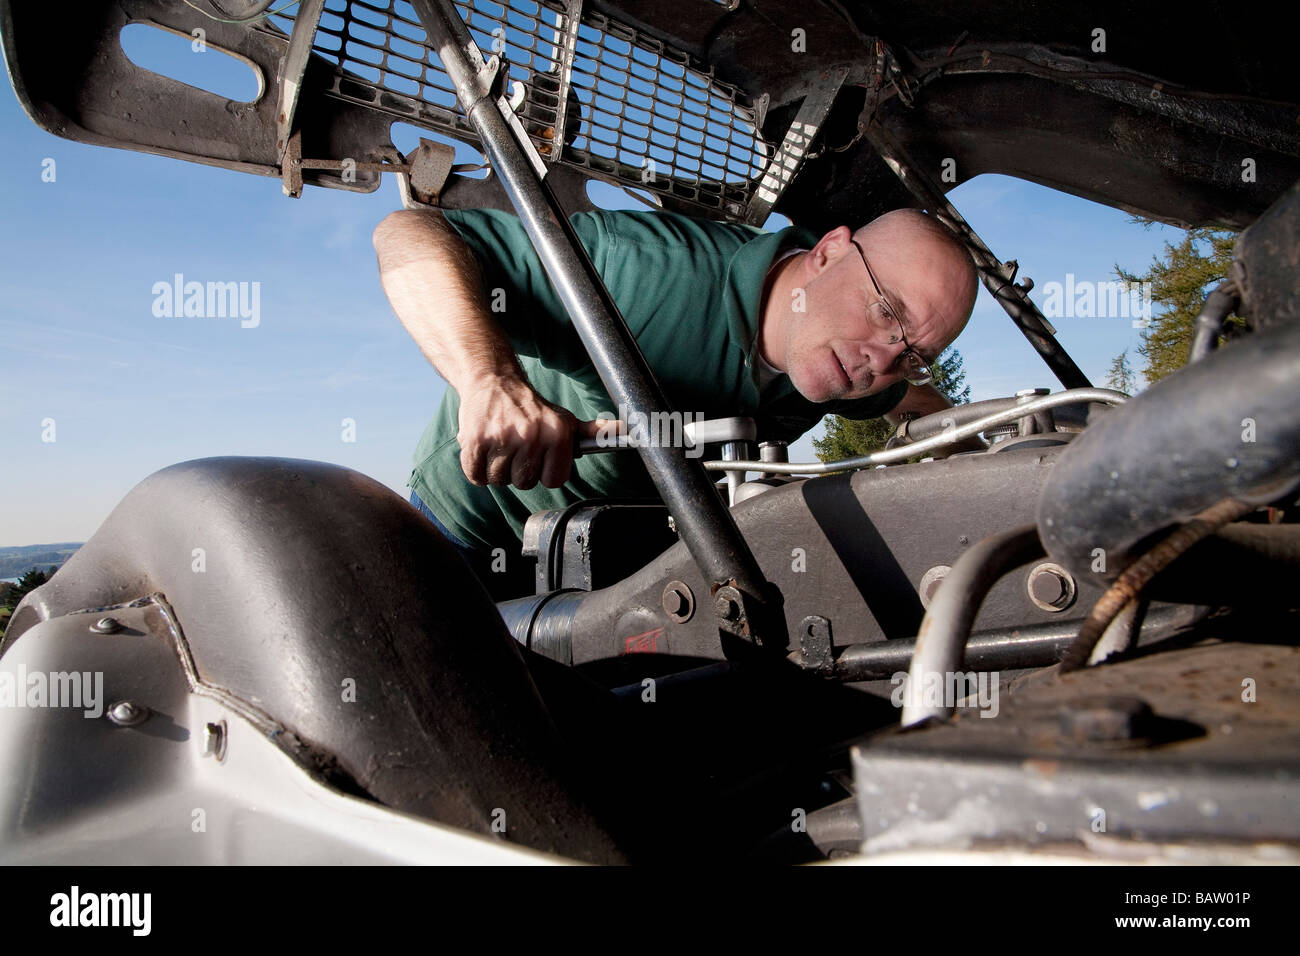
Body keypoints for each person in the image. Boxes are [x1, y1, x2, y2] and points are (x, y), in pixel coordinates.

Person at [372, 204, 978, 599]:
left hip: (610, 557)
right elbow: (409, 235)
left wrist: (969, 437)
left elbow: (909, 394)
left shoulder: (853, 362)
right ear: (828, 253)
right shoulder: (637, 270)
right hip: (470, 530)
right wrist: (490, 381)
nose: (882, 357)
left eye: (908, 351)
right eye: (886, 311)